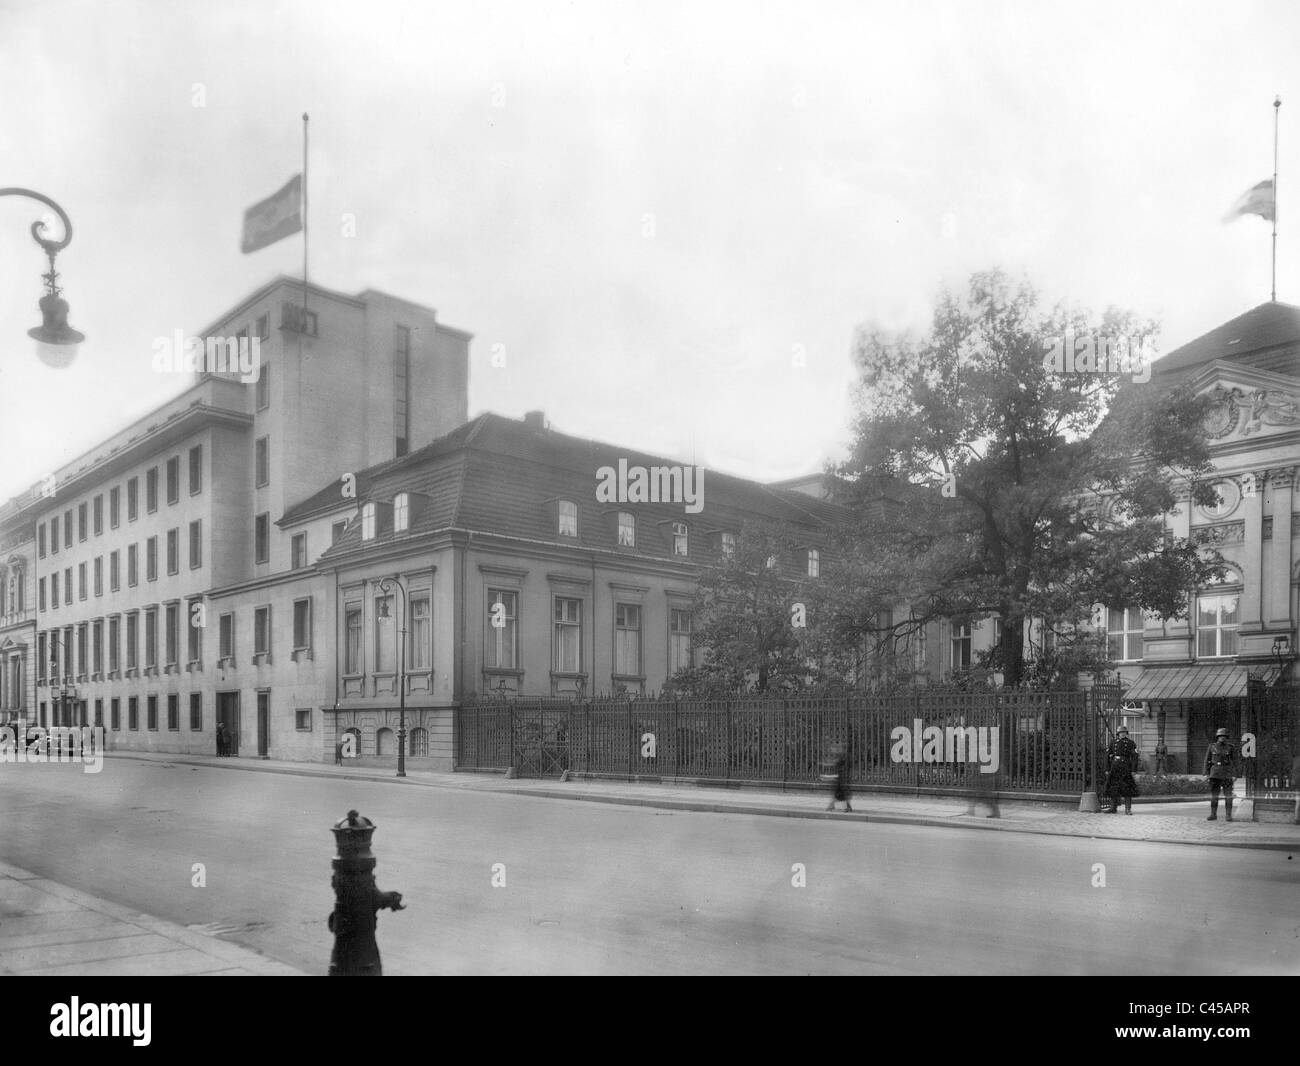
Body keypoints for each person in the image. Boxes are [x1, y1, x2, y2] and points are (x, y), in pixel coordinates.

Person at [1104, 726, 1139, 814]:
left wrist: (1133, 770)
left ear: (1126, 733)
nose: (1122, 734)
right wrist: (1107, 768)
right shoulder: (1113, 742)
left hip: (1125, 767)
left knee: (1127, 788)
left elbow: (1135, 757)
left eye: (1124, 732)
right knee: (1113, 787)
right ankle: (1113, 808)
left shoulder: (1131, 743)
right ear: (1118, 734)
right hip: (1115, 766)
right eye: (1121, 733)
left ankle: (1128, 809)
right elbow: (1107, 756)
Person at [1204, 727, 1238, 821]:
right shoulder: (1212, 746)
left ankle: (1228, 815)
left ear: (1227, 737)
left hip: (1227, 774)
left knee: (1228, 795)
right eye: (1220, 736)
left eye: (1224, 736)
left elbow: (1235, 761)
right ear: (1217, 737)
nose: (1222, 738)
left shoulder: (1230, 747)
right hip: (1215, 774)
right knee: (1214, 795)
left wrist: (1235, 774)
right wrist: (1206, 773)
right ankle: (1213, 814)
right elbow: (1207, 760)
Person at [824, 742, 852, 812]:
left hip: (840, 779)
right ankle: (845, 807)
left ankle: (832, 807)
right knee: (839, 794)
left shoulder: (842, 756)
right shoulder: (841, 756)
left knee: (838, 793)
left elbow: (840, 768)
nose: (832, 749)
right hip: (841, 779)